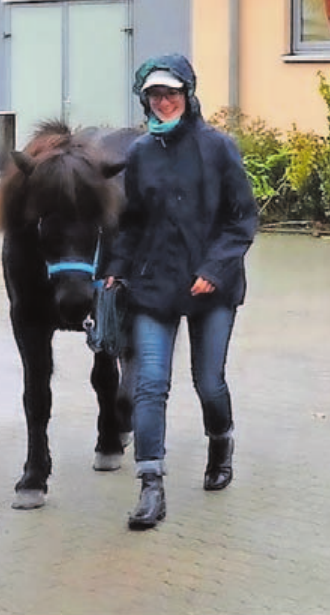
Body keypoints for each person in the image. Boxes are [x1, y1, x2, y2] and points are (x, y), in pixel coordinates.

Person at [101, 53, 258, 531]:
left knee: (208, 382)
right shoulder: (140, 153)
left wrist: (214, 268)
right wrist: (116, 269)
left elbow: (242, 219)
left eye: (170, 93)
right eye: (154, 95)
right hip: (154, 285)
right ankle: (151, 485)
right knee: (150, 383)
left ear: (188, 94)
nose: (163, 102)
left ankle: (220, 442)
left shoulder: (219, 148)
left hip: (212, 286)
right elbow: (130, 223)